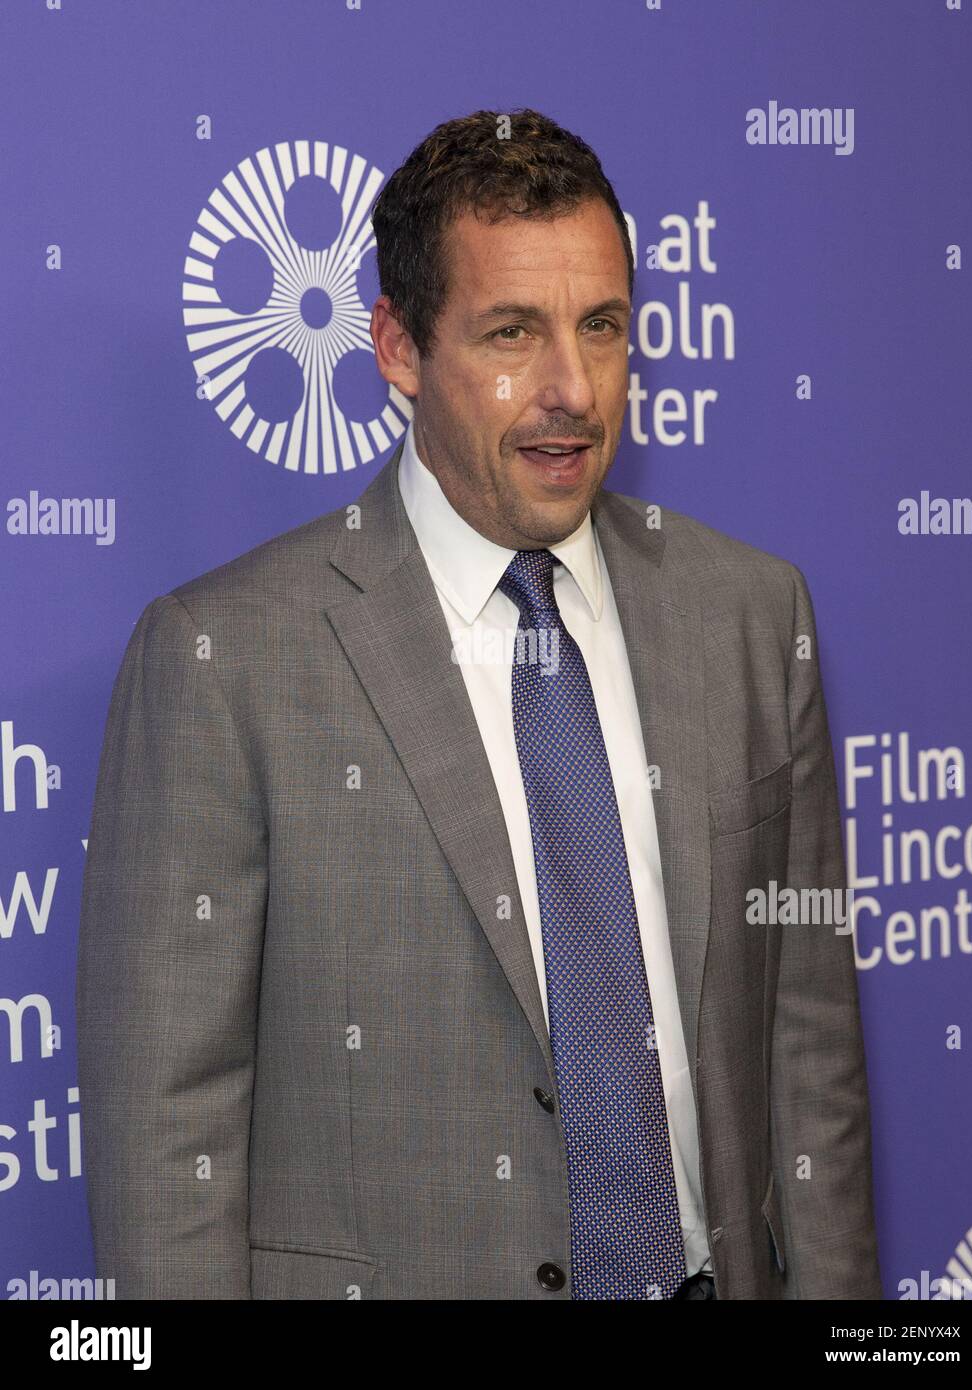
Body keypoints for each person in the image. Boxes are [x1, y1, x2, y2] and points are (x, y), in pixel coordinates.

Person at [76, 107, 882, 1300]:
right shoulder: (221, 662)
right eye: (512, 333)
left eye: (601, 328)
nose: (570, 389)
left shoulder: (751, 614)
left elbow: (807, 1052)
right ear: (397, 349)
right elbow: (166, 1152)